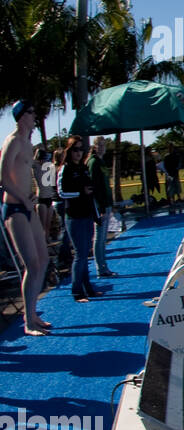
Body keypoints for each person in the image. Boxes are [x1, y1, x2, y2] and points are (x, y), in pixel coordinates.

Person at [2, 101, 53, 334]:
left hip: (27, 205)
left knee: (43, 259)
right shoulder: (12, 142)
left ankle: (33, 314)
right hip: (14, 209)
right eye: (32, 113)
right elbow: (3, 178)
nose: (35, 117)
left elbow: (24, 173)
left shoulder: (27, 142)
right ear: (22, 116)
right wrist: (22, 199)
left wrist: (32, 193)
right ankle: (28, 321)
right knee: (31, 264)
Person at [58, 135, 99, 303]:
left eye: (81, 149)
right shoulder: (65, 169)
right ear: (69, 150)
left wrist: (96, 214)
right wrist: (80, 192)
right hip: (74, 217)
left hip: (86, 215)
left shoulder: (83, 168)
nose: (78, 153)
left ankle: (88, 288)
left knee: (85, 254)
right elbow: (61, 192)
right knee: (79, 255)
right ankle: (77, 291)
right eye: (75, 149)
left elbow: (90, 192)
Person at [87, 137, 118, 277]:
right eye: (98, 145)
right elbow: (95, 187)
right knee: (99, 238)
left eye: (103, 145)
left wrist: (110, 203)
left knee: (103, 238)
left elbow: (105, 185)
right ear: (94, 146)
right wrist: (99, 207)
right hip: (100, 206)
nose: (101, 147)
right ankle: (101, 267)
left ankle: (103, 266)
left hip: (105, 204)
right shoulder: (94, 162)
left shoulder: (100, 162)